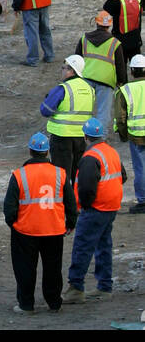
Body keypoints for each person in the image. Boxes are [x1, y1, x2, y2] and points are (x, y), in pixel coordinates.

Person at [4, 131, 77, 315]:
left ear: (30, 151)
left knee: (25, 269)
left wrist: (13, 223)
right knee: (53, 269)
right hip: (53, 229)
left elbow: (10, 207)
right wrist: (70, 223)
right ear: (47, 151)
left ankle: (26, 305)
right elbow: (70, 202)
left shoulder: (19, 175)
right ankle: (54, 303)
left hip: (26, 230)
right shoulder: (60, 173)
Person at [62, 117, 126, 303]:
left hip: (96, 209)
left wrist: (84, 205)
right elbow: (123, 175)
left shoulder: (91, 157)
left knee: (82, 246)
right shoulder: (110, 152)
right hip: (111, 207)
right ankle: (104, 286)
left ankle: (76, 288)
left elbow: (87, 188)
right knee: (103, 245)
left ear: (85, 136)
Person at [40, 54, 95, 185]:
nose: (62, 70)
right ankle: (75, 201)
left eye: (63, 68)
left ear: (71, 70)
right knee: (77, 173)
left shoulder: (63, 88)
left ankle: (63, 202)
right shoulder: (90, 89)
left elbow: (45, 110)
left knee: (61, 175)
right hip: (81, 137)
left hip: (62, 137)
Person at [75, 11, 125, 136]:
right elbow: (120, 65)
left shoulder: (84, 39)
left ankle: (83, 135)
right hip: (105, 82)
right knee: (103, 113)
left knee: (85, 109)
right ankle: (100, 139)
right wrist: (121, 81)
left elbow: (76, 59)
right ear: (109, 26)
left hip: (86, 79)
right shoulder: (114, 43)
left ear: (96, 23)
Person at [114, 52, 145, 214]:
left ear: (131, 71)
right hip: (136, 136)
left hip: (136, 136)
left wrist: (123, 134)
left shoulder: (126, 90)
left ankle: (143, 201)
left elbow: (120, 117)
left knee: (140, 168)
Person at [103, 0, 142, 72]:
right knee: (138, 67)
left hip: (120, 41)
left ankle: (123, 85)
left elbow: (106, 7)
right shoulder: (138, 3)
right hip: (135, 40)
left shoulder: (117, 3)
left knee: (121, 68)